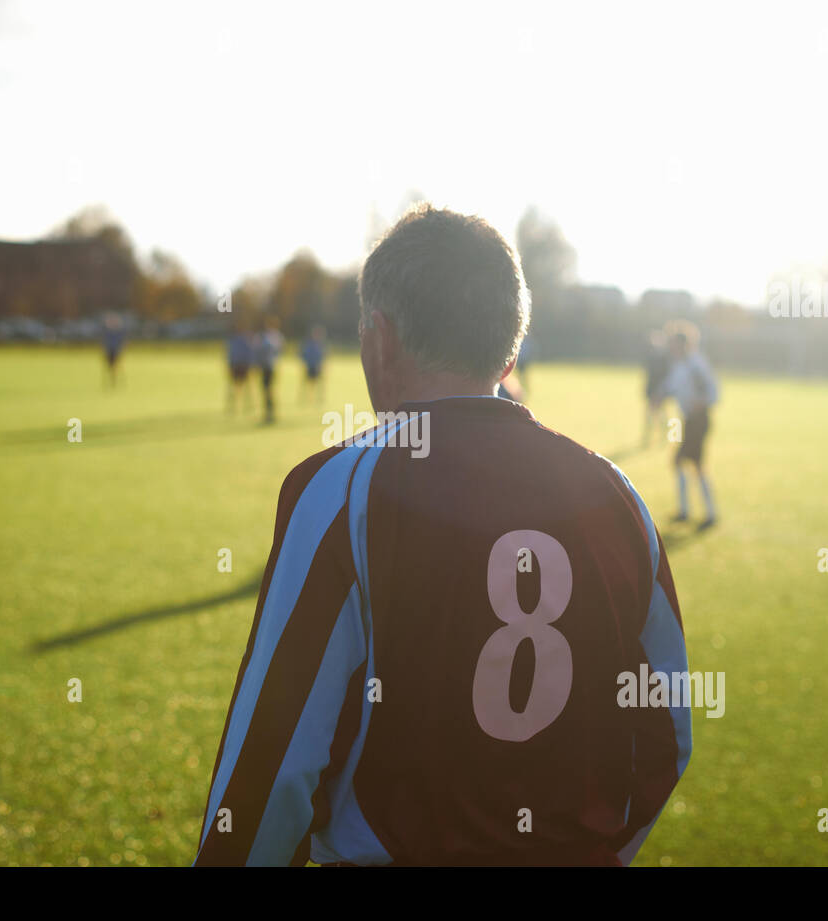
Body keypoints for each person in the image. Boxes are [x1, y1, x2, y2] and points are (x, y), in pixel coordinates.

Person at [194, 205, 690, 867]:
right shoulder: (614, 493)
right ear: (510, 349)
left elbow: (273, 767)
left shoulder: (342, 488)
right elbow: (666, 730)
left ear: (380, 337)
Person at [660, 320, 719, 530]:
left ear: (684, 345)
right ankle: (687, 511)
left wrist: (700, 402)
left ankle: (709, 513)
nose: (671, 348)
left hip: (699, 421)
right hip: (687, 421)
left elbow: (713, 393)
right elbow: (672, 386)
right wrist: (659, 396)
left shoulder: (696, 365)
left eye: (674, 344)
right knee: (684, 463)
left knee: (691, 464)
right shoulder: (680, 365)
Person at [642, 329, 670, 447]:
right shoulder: (650, 355)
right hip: (651, 388)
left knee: (662, 413)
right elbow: (647, 373)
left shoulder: (665, 357)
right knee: (649, 414)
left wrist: (661, 391)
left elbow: (666, 374)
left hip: (660, 390)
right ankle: (647, 437)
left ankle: (666, 436)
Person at [255, 317, 284, 424]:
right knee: (266, 391)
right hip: (265, 367)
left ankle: (270, 413)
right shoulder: (265, 336)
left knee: (269, 391)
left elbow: (276, 350)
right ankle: (268, 413)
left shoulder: (274, 337)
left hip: (270, 367)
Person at [226, 324, 254, 415]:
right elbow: (230, 354)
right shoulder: (234, 340)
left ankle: (248, 405)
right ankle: (232, 406)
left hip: (243, 366)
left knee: (246, 387)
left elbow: (249, 354)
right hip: (236, 366)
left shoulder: (246, 340)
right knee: (234, 387)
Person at [299, 325, 327, 405]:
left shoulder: (321, 344)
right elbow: (303, 354)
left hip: (317, 367)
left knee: (319, 384)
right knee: (306, 383)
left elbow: (324, 356)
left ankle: (320, 399)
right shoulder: (308, 343)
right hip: (310, 366)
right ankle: (304, 398)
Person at [102, 314, 125, 387]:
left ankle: (116, 381)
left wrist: (120, 349)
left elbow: (121, 342)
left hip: (115, 351)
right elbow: (104, 342)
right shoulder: (107, 332)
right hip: (109, 351)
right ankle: (110, 381)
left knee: (116, 367)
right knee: (109, 367)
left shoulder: (118, 332)